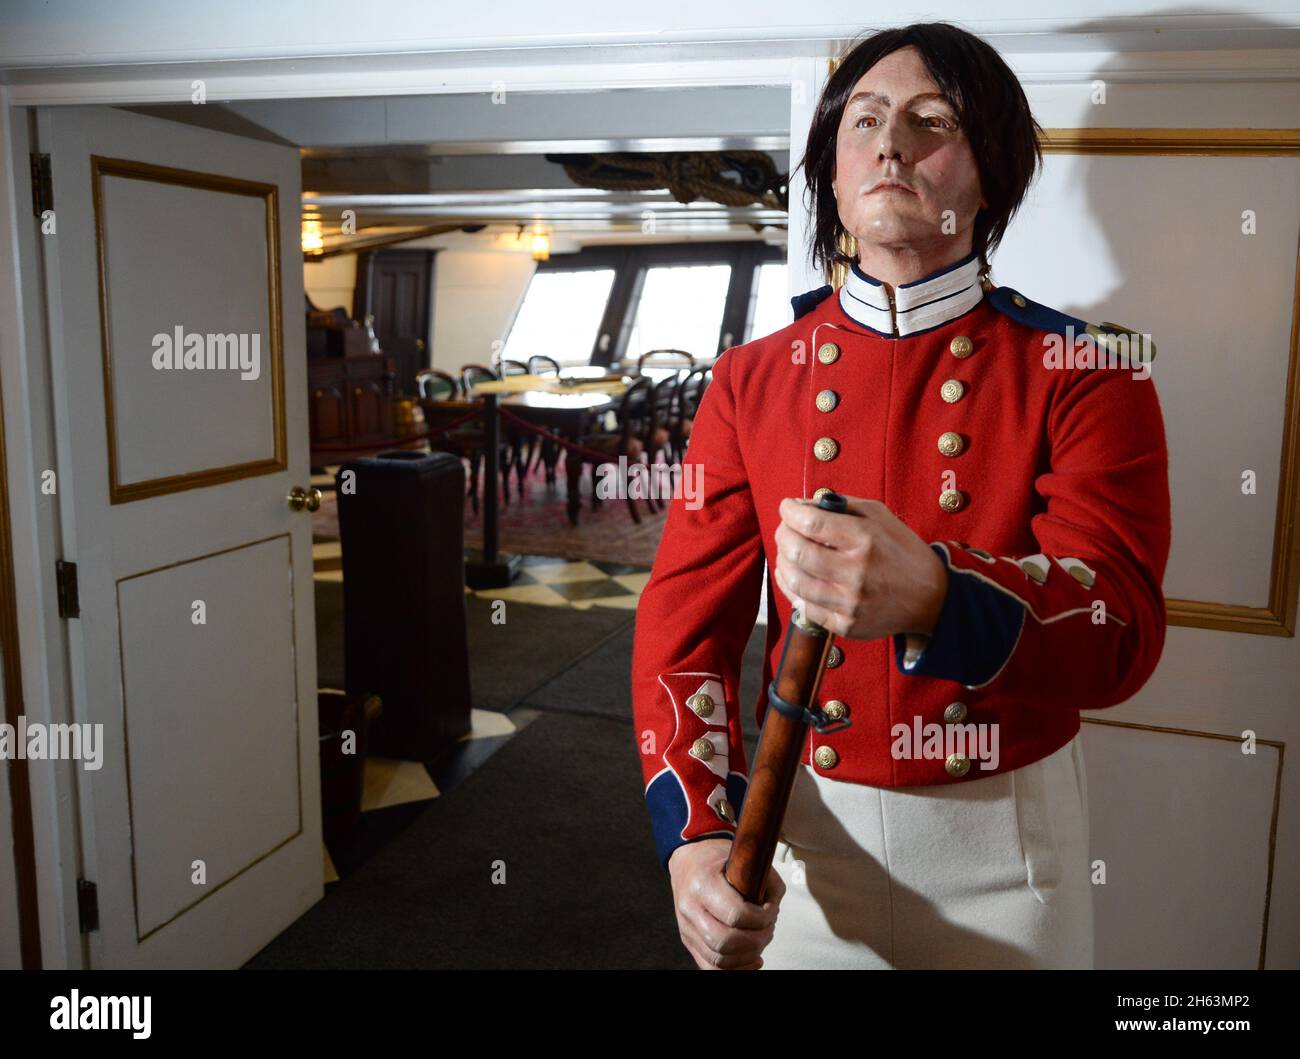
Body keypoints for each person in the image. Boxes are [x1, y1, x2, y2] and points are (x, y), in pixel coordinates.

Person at [630, 21, 1171, 969]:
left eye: (933, 120)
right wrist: (696, 841)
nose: (891, 143)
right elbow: (686, 628)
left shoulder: (1087, 367)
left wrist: (935, 594)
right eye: (865, 121)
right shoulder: (748, 381)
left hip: (1008, 850)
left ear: (991, 173)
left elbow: (1120, 627)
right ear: (832, 177)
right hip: (796, 835)